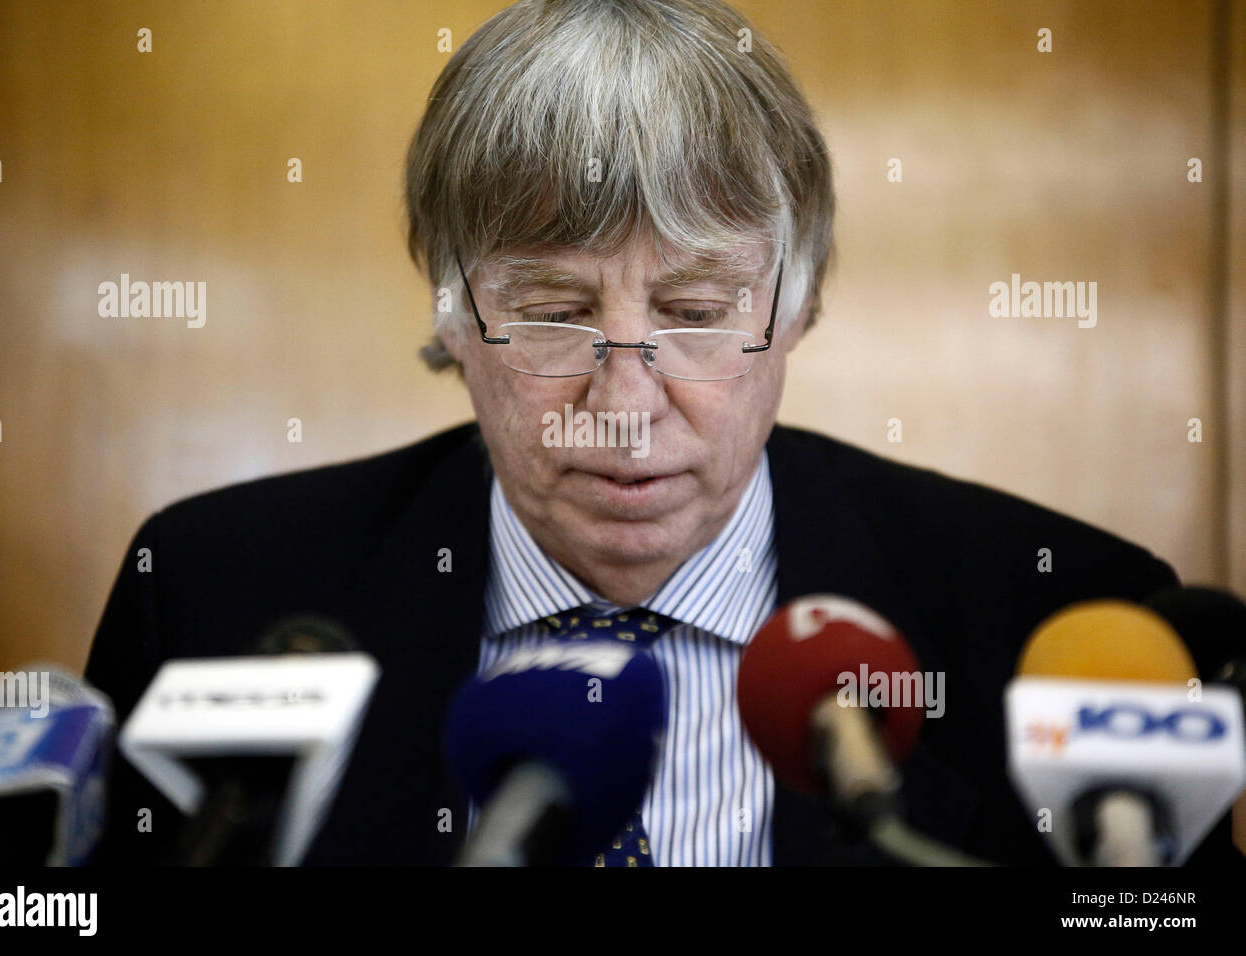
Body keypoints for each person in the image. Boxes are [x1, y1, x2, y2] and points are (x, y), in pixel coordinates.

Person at [85, 0, 1224, 866]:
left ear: (799, 305)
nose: (623, 402)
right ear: (448, 306)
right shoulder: (206, 596)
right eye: (552, 310)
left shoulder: (1054, 623)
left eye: (692, 312)